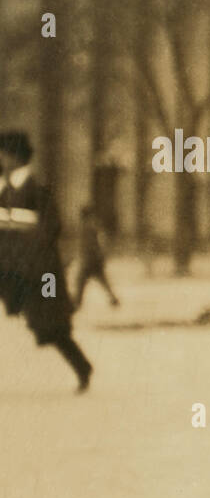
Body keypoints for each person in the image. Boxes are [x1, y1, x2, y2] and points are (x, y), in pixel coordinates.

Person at [0, 132, 93, 391]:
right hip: (9, 270)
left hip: (42, 273)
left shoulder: (37, 190)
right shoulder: (4, 190)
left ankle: (82, 367)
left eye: (4, 154)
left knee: (51, 325)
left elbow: (51, 228)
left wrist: (28, 260)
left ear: (15, 157)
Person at [74, 205, 120, 309]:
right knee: (102, 280)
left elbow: (89, 244)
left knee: (81, 281)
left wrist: (88, 256)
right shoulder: (92, 225)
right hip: (94, 259)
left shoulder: (87, 227)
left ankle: (77, 302)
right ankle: (113, 299)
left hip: (89, 259)